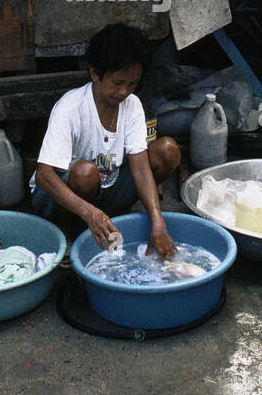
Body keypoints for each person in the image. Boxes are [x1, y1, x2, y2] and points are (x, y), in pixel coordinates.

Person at [31, 24, 181, 258]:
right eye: (118, 82)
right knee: (84, 173)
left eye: (132, 84)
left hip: (106, 188)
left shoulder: (132, 106)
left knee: (167, 150)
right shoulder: (71, 107)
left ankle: (109, 217)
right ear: (95, 73)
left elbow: (141, 168)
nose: (124, 92)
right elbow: (44, 175)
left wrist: (158, 223)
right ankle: (70, 234)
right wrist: (90, 213)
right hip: (63, 197)